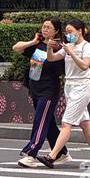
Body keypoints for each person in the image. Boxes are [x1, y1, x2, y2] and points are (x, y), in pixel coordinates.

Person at [38, 18, 90, 169]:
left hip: (82, 86)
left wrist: (71, 53)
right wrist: (49, 47)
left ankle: (52, 156)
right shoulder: (68, 45)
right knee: (85, 124)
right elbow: (52, 58)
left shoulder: (87, 47)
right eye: (66, 33)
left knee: (66, 123)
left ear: (79, 31)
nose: (68, 35)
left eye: (70, 32)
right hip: (70, 86)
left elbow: (84, 66)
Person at [12, 18, 71, 167]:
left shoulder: (58, 48)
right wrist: (33, 41)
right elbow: (16, 48)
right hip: (35, 89)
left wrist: (53, 47)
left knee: (40, 122)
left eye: (48, 27)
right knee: (48, 123)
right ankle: (62, 153)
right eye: (43, 27)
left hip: (49, 91)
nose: (45, 29)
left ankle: (31, 153)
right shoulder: (37, 45)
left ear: (56, 31)